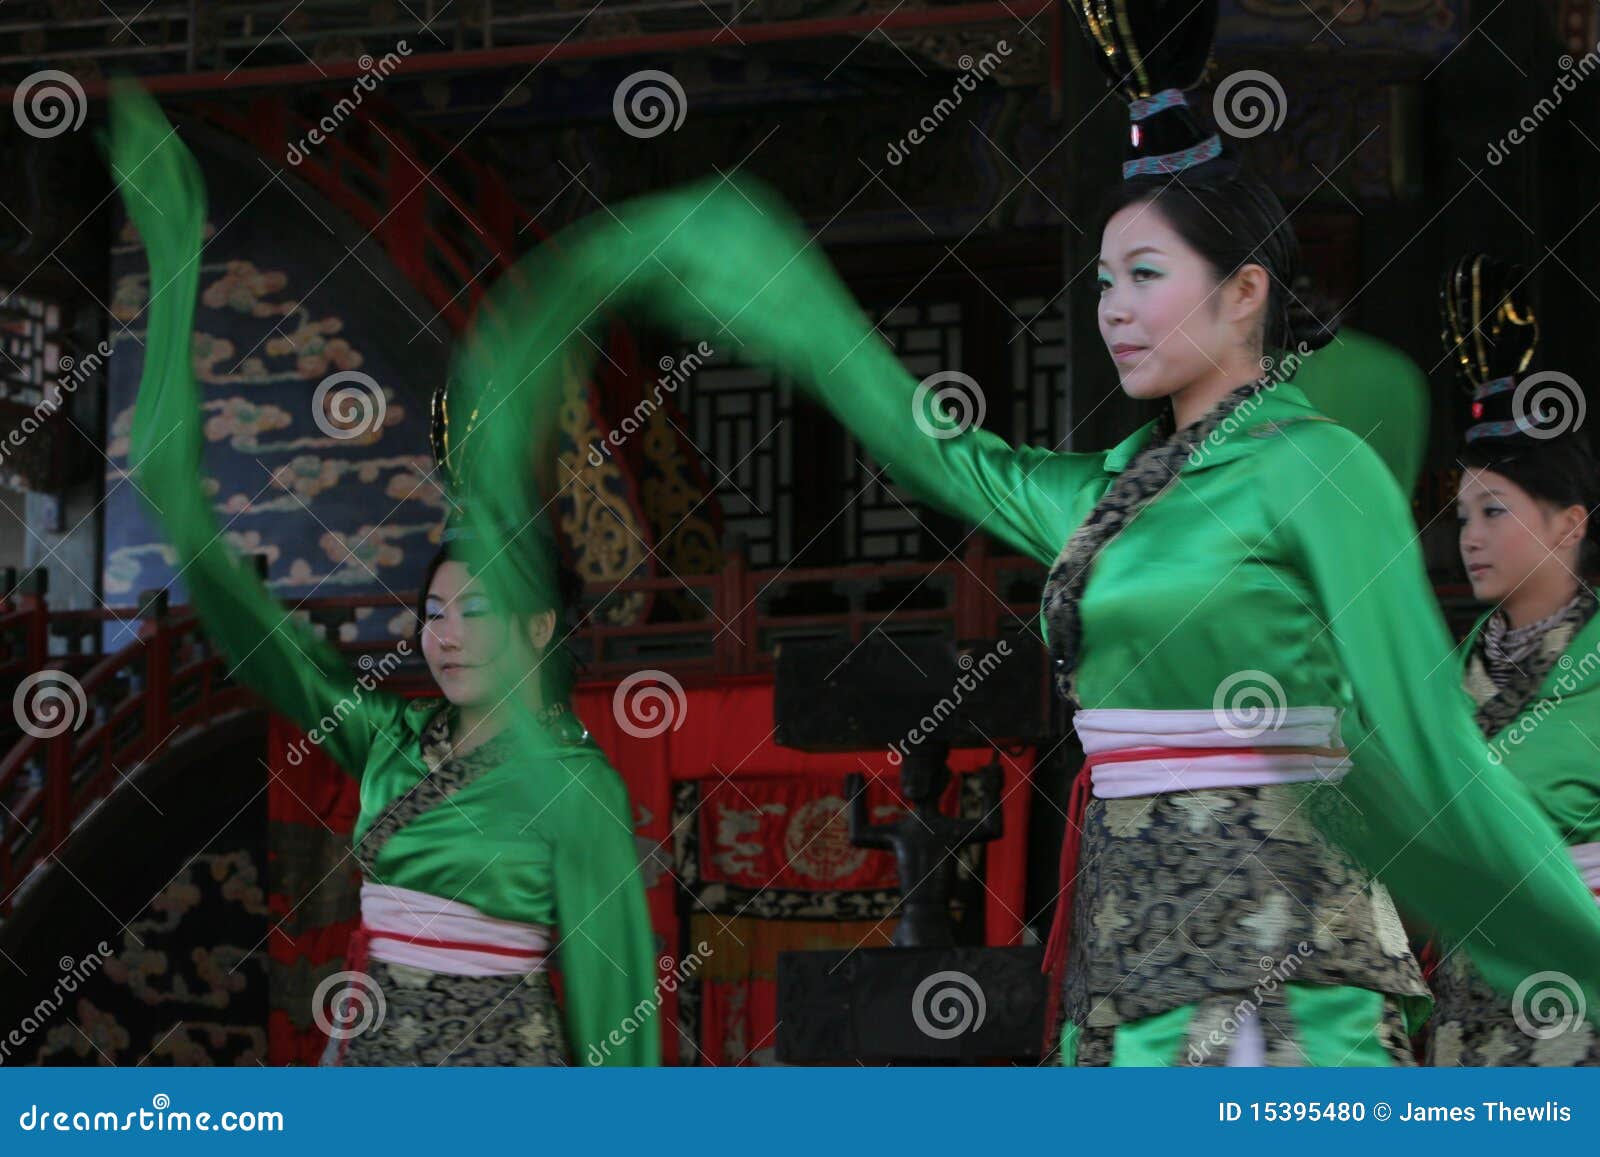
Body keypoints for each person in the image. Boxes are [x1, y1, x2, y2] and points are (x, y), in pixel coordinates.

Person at [373, 2, 1600, 1066]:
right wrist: (777, 293)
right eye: (1104, 279)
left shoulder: (1313, 469)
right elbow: (936, 449)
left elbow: (1429, 743)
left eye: (1146, 277)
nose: (1111, 308)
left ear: (1244, 291)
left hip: (1288, 977)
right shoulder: (1105, 494)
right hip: (1124, 976)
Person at [109, 81, 659, 1066]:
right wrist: (185, 508)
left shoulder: (576, 786)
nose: (444, 632)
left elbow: (620, 1007)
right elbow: (263, 639)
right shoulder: (389, 739)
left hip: (496, 1062)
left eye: (476, 609)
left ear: (540, 628)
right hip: (370, 1050)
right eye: (434, 610)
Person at [1428, 253, 1600, 1065]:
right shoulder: (1438, 673)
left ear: (1570, 523)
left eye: (1494, 510)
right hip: (1466, 1009)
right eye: (1463, 513)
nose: (1470, 536)